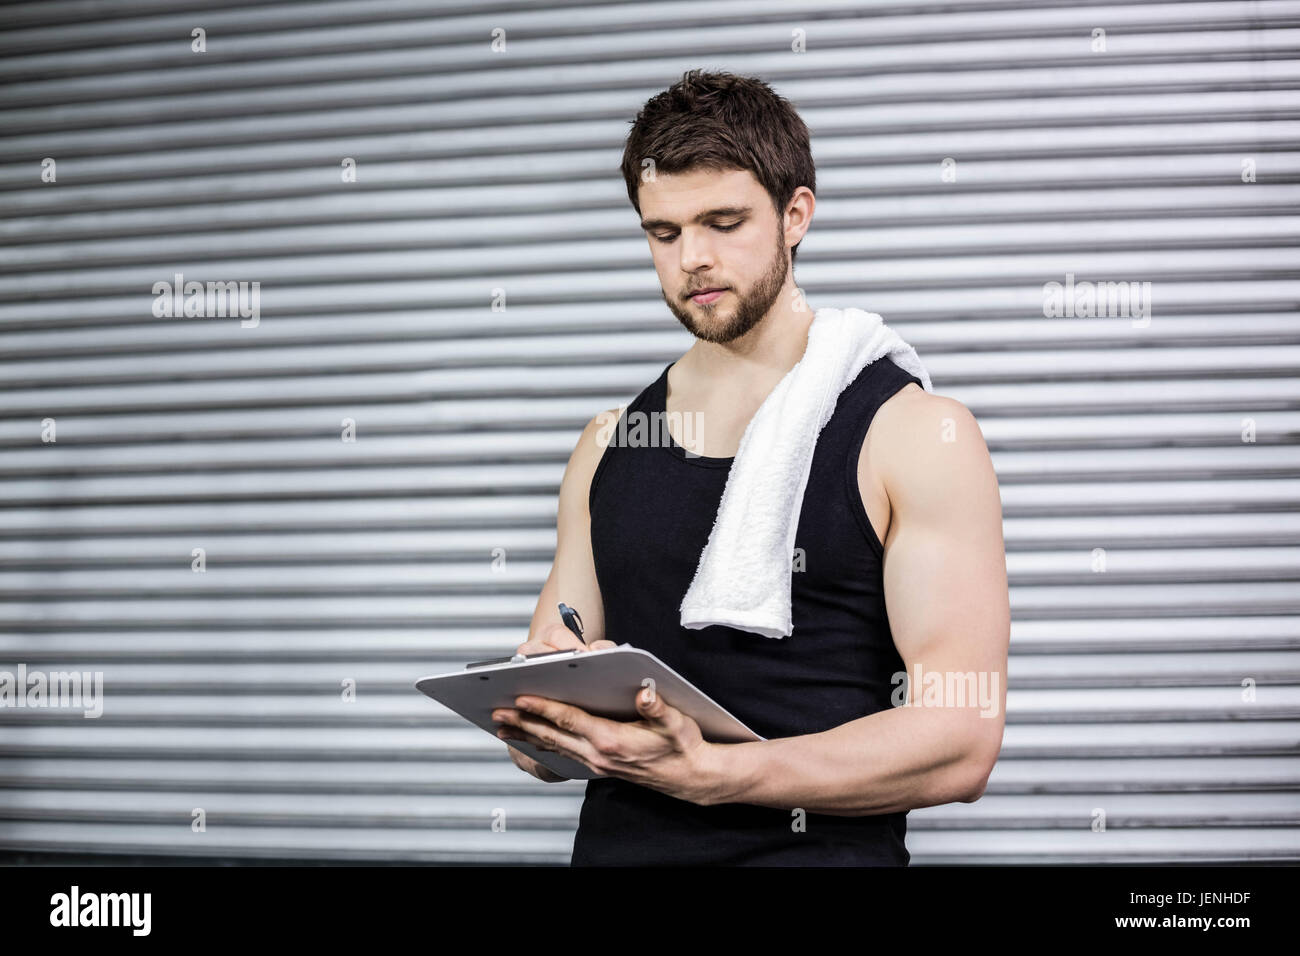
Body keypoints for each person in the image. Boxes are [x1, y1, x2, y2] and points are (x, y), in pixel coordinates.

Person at [491, 69, 1010, 866]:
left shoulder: (913, 437)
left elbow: (961, 739)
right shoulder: (606, 447)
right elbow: (545, 734)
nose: (692, 258)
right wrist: (538, 722)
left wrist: (719, 775)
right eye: (663, 233)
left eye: (723, 222)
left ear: (795, 214)